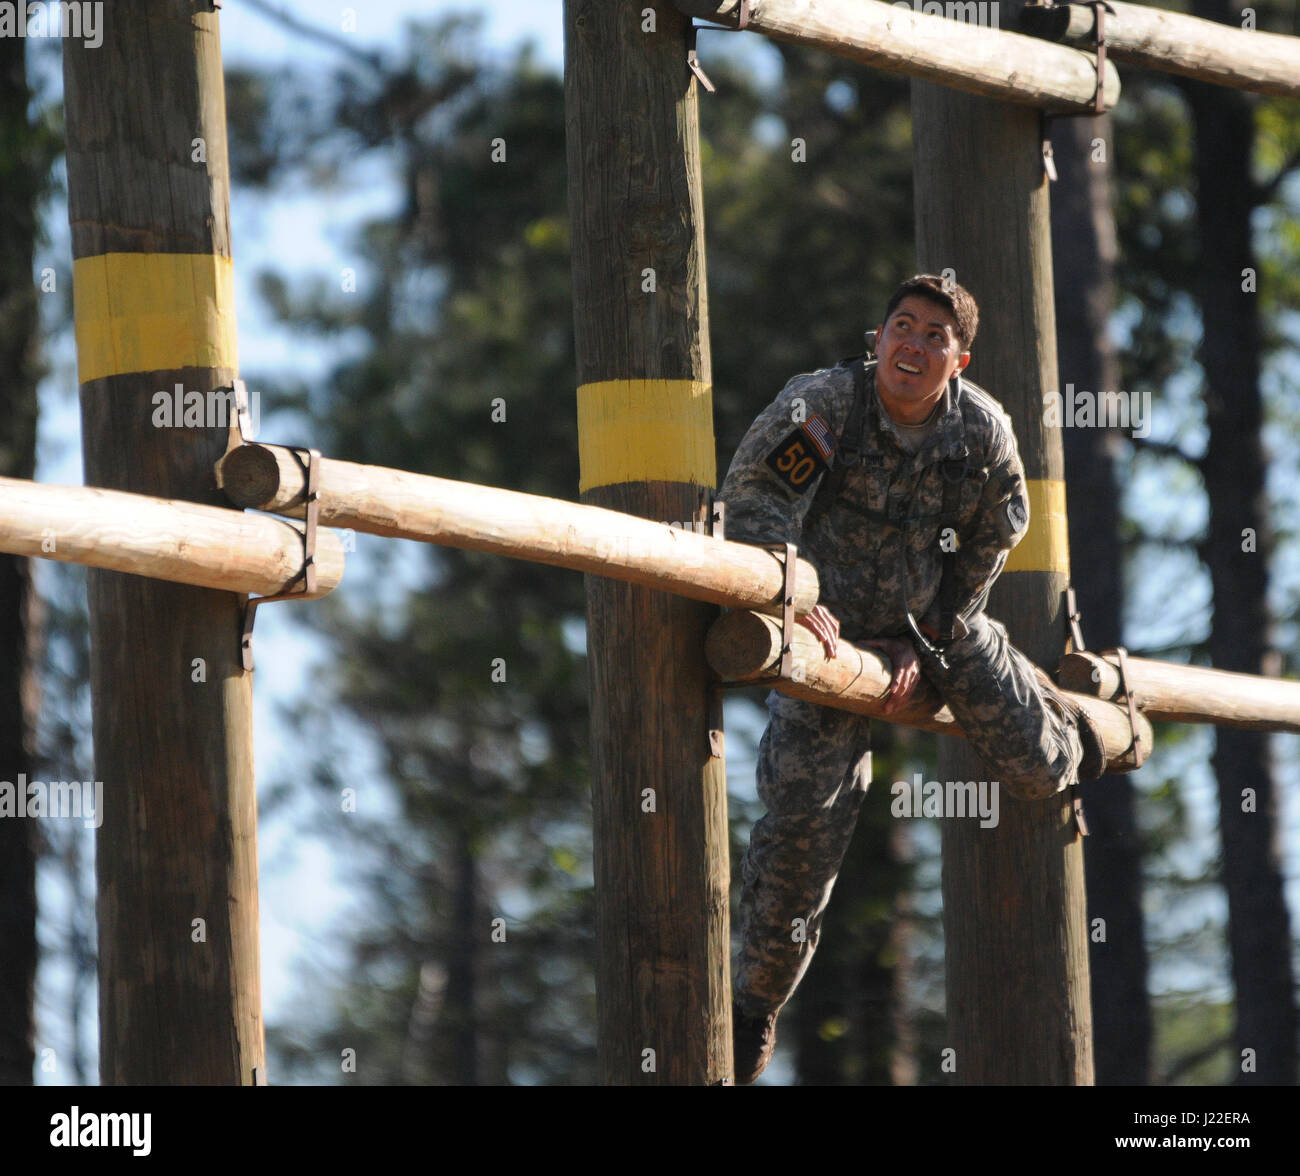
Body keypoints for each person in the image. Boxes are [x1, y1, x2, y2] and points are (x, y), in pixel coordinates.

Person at [717, 273, 1110, 1084]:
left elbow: (994, 539)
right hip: (822, 635)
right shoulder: (826, 405)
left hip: (938, 626)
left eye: (935, 336)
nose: (914, 345)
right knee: (801, 831)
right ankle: (753, 1006)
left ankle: (1088, 727)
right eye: (904, 325)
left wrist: (927, 634)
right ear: (880, 335)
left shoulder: (984, 436)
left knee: (1042, 767)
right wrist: (791, 598)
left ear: (957, 360)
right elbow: (757, 503)